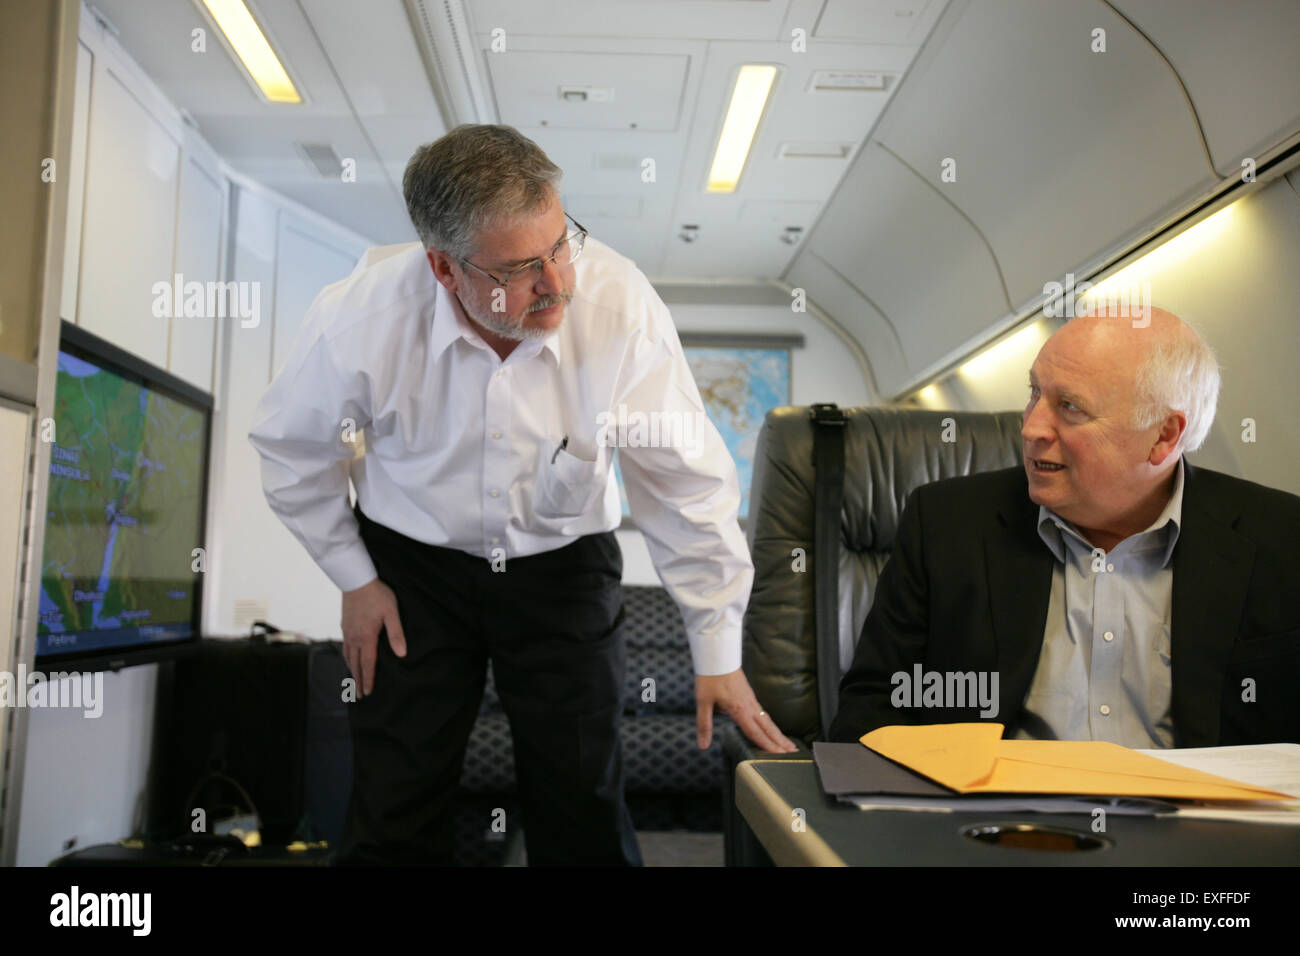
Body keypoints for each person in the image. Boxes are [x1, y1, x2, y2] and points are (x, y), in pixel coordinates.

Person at [248, 124, 795, 866]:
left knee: (582, 801)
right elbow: (292, 448)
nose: (558, 281)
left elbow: (683, 486)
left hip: (563, 567)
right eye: (522, 267)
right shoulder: (361, 318)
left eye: (562, 243)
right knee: (395, 801)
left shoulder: (619, 309)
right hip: (412, 571)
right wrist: (355, 576)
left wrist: (716, 646)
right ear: (445, 269)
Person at [829, 308, 1300, 747]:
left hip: (1200, 826)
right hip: (996, 824)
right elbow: (872, 708)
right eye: (1035, 392)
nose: (1032, 428)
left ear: (1163, 436)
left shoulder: (1281, 538)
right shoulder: (947, 525)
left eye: (1070, 407)